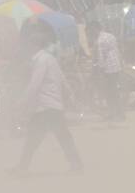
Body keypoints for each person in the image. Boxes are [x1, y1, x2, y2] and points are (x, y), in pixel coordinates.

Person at [10, 28, 83, 174]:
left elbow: (34, 84)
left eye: (29, 44)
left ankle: (23, 166)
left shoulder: (41, 60)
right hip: (53, 105)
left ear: (35, 45)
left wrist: (21, 103)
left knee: (38, 138)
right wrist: (70, 94)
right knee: (57, 136)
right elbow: (62, 79)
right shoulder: (50, 58)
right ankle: (75, 163)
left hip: (45, 106)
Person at [90, 19, 125, 122]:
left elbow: (101, 58)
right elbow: (117, 50)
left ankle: (113, 113)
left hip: (108, 69)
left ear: (95, 29)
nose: (91, 33)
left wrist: (98, 70)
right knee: (114, 92)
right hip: (116, 66)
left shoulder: (100, 40)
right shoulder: (110, 36)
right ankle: (119, 113)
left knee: (109, 93)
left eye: (91, 31)